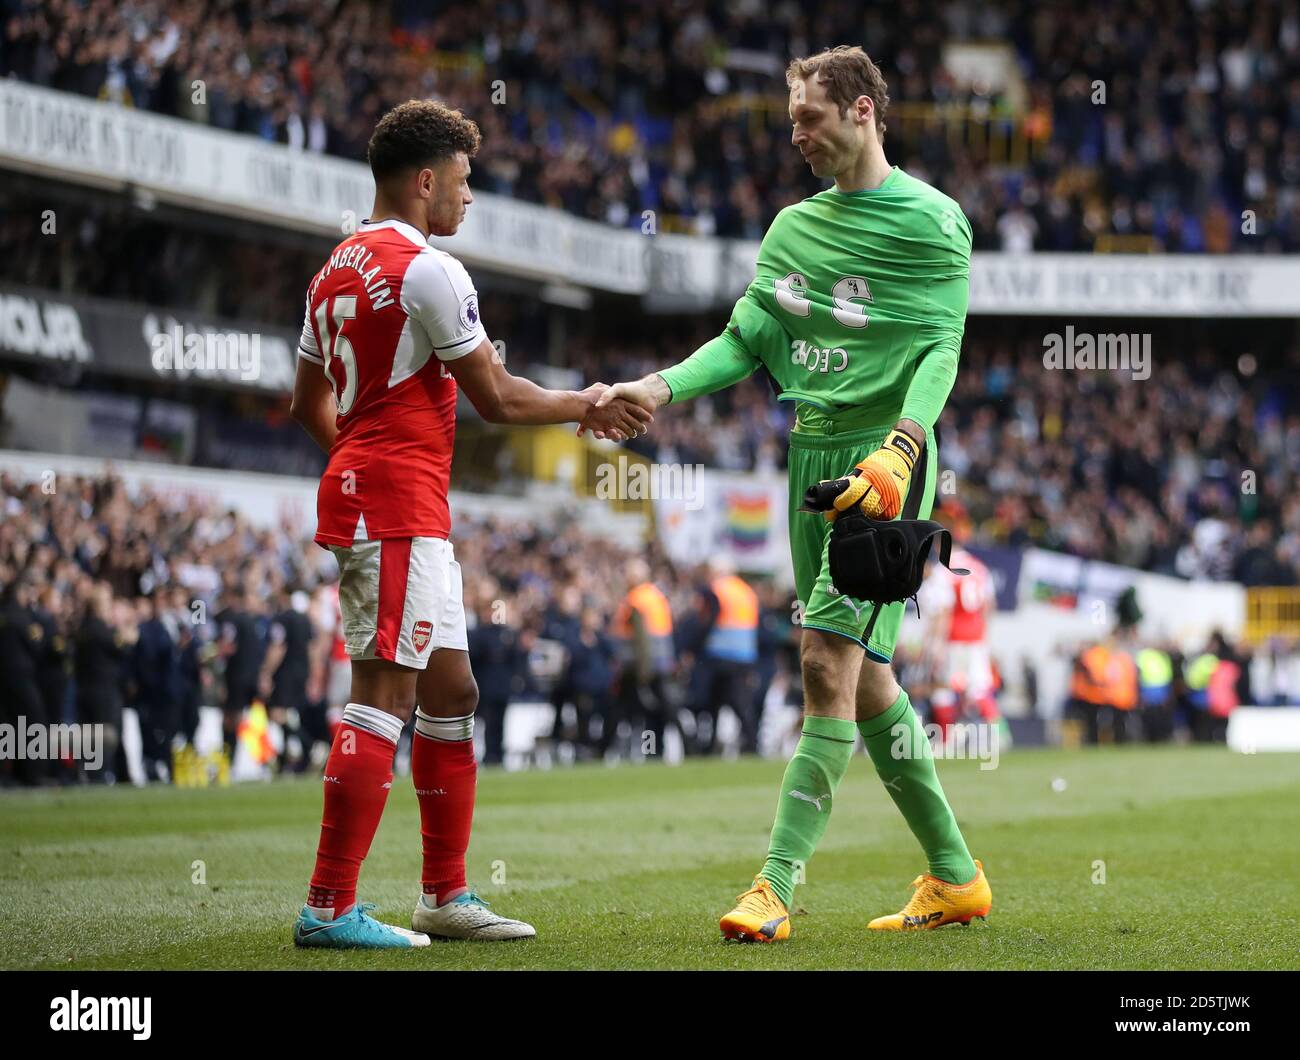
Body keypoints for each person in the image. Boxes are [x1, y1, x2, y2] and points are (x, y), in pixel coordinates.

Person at [597, 46, 990, 939]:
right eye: (791, 123)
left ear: (861, 111)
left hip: (883, 467)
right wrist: (658, 389)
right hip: (809, 460)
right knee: (867, 681)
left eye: (809, 119)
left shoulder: (935, 222)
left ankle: (772, 888)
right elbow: (745, 339)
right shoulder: (789, 231)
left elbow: (940, 348)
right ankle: (957, 876)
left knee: (823, 664)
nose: (796, 136)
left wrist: (901, 448)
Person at [288, 98, 651, 949]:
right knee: (383, 697)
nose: (470, 196)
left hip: (389, 497)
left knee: (453, 694)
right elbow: (495, 396)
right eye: (463, 179)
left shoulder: (331, 269)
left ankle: (442, 897)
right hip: (399, 505)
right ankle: (329, 907)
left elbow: (307, 403)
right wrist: (589, 403)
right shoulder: (429, 270)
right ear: (425, 180)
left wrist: (358, 460)